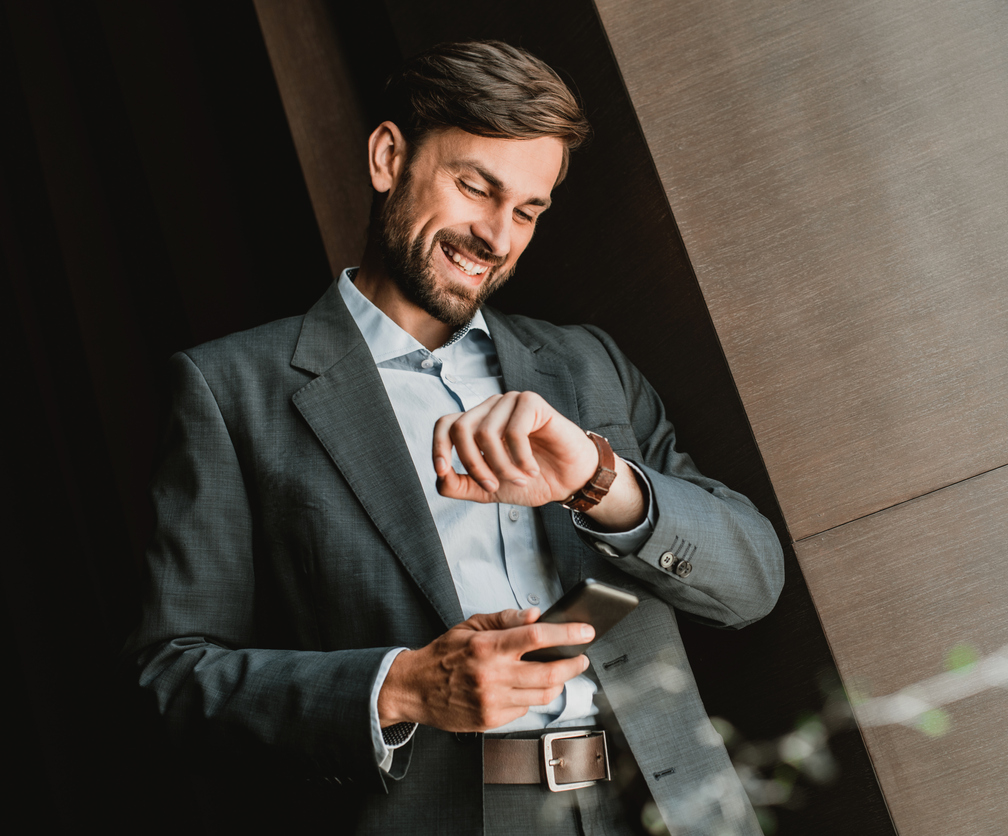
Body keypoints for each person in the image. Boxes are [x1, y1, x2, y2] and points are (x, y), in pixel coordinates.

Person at [128, 40, 784, 836]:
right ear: (387, 158)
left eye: (529, 212)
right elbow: (174, 680)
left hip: (668, 812)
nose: (498, 236)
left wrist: (601, 481)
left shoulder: (587, 362)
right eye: (476, 187)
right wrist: (404, 687)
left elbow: (753, 580)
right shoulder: (229, 390)